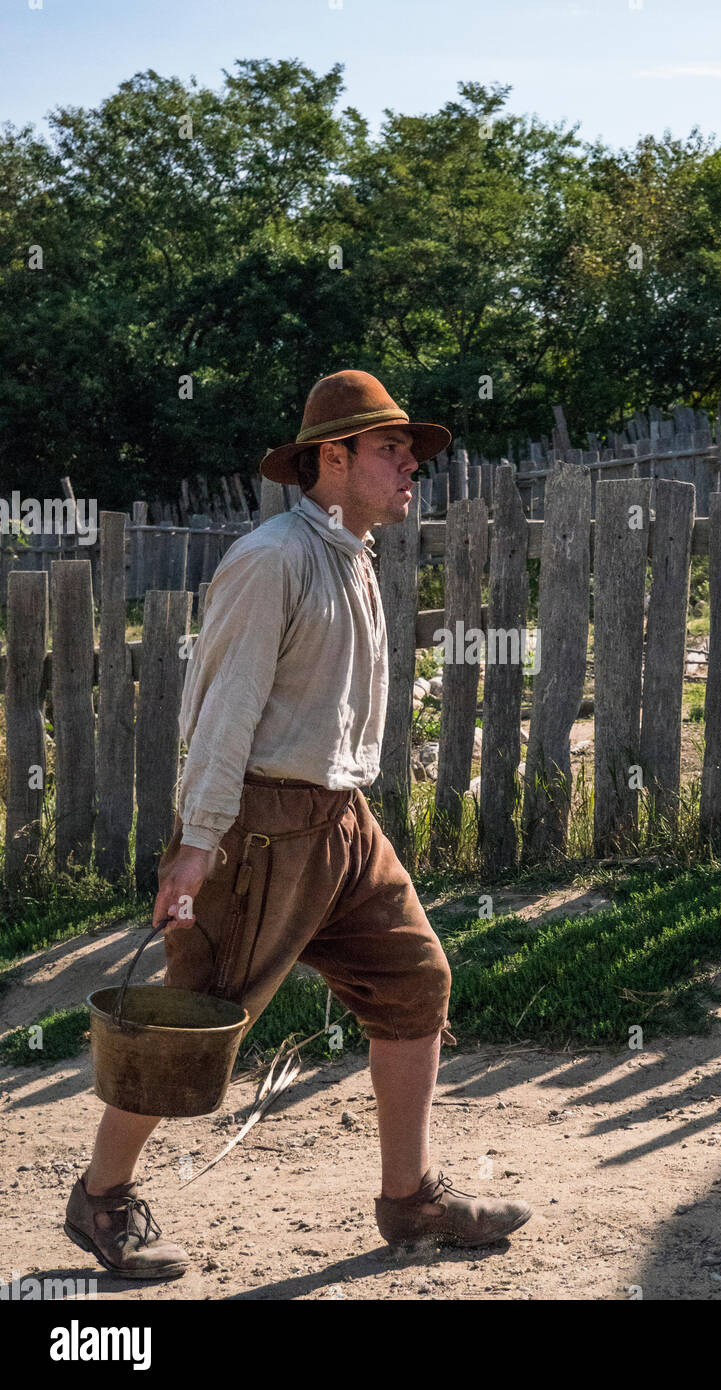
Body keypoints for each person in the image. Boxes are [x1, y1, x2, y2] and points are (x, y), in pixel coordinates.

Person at [65, 370, 532, 1279]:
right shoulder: (273, 556)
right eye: (392, 452)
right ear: (333, 457)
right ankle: (102, 1198)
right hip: (261, 826)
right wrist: (199, 843)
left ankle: (410, 1199)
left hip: (341, 820)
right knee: (193, 1024)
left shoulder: (351, 553)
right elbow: (224, 708)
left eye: (411, 455)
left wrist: (345, 809)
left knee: (414, 981)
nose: (411, 471)